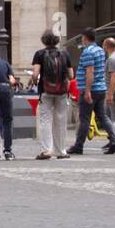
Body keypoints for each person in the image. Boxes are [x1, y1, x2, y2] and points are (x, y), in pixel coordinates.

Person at [66, 28, 115, 155]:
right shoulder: (101, 51)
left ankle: (78, 145)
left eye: (82, 38)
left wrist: (87, 91)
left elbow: (90, 72)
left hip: (90, 89)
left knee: (84, 118)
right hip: (101, 88)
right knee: (103, 116)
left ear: (85, 38)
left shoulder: (87, 52)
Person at [31, 30, 72, 160]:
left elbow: (35, 74)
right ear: (57, 41)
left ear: (44, 41)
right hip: (61, 92)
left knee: (45, 120)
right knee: (60, 120)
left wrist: (33, 80)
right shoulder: (65, 54)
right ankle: (61, 151)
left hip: (45, 91)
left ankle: (46, 150)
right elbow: (71, 75)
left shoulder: (39, 54)